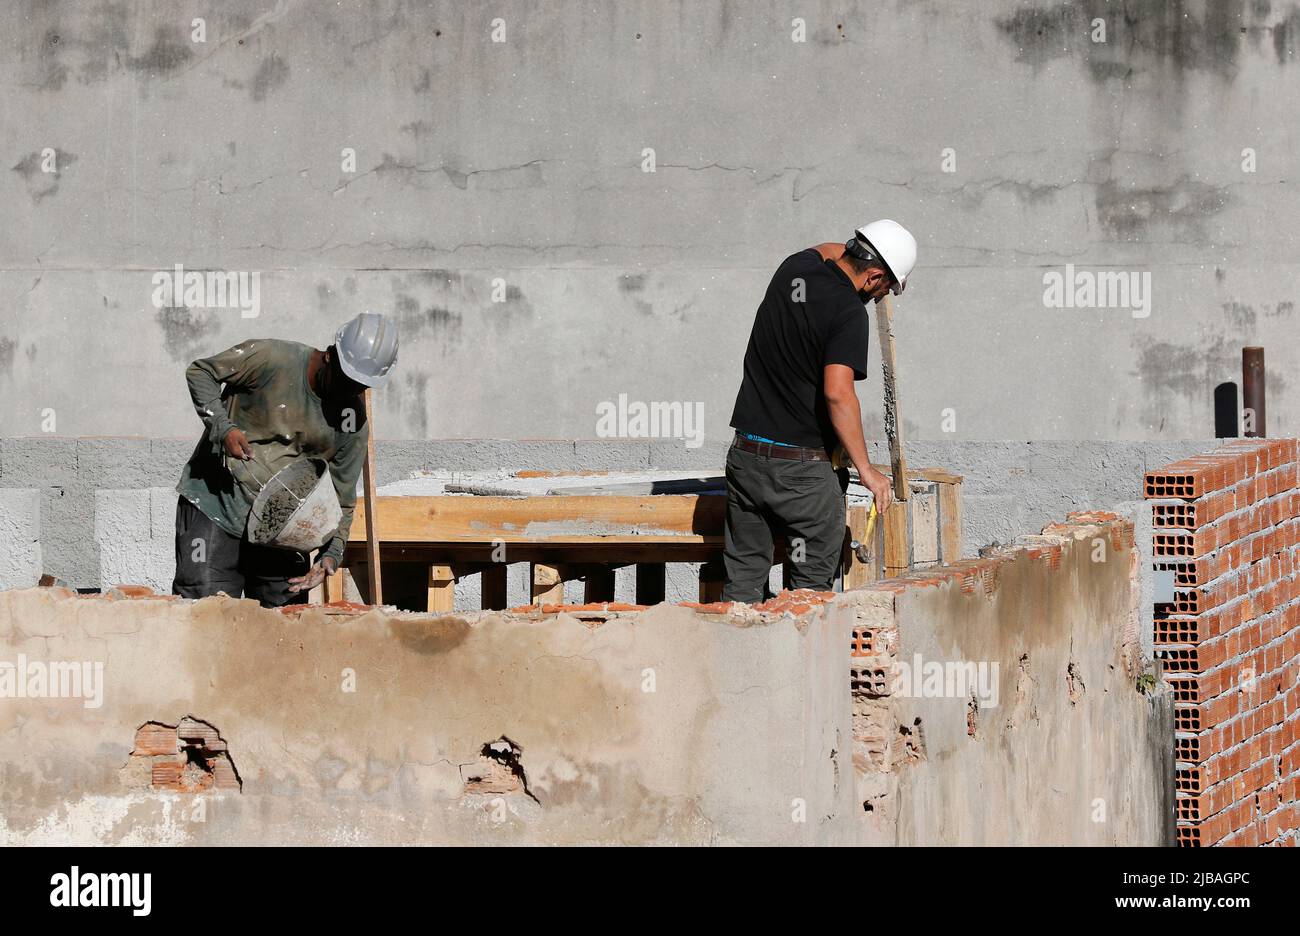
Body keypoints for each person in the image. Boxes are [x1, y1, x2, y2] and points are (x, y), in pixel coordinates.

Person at [722, 220, 917, 602]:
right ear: (874, 275)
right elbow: (838, 395)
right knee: (807, 596)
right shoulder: (848, 313)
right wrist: (867, 471)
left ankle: (737, 656)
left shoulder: (794, 268)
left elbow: (826, 250)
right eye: (884, 289)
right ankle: (795, 661)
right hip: (802, 474)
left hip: (746, 458)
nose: (879, 298)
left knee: (742, 583)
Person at [171, 312, 398, 606]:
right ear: (331, 355)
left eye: (361, 386)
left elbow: (341, 497)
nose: (350, 392)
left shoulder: (351, 422)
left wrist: (332, 553)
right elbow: (200, 372)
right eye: (346, 379)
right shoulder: (272, 359)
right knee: (204, 614)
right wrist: (223, 428)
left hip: (282, 533)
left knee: (282, 632)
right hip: (218, 508)